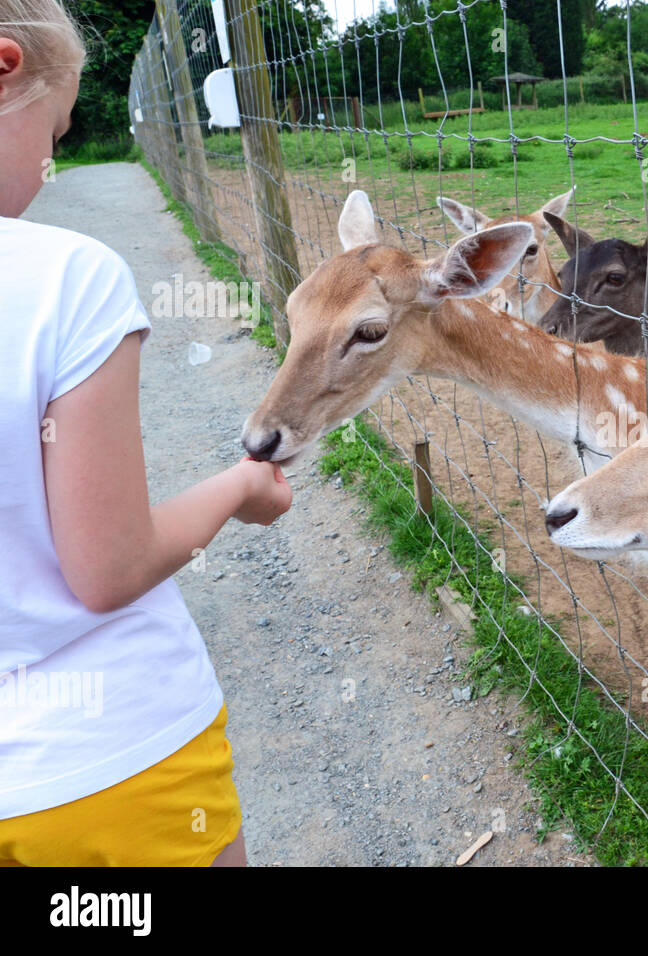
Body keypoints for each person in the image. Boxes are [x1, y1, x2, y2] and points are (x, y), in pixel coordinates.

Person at [0, 0, 291, 866]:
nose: (53, 160)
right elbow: (108, 568)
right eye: (54, 132)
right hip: (109, 772)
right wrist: (239, 487)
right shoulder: (65, 278)